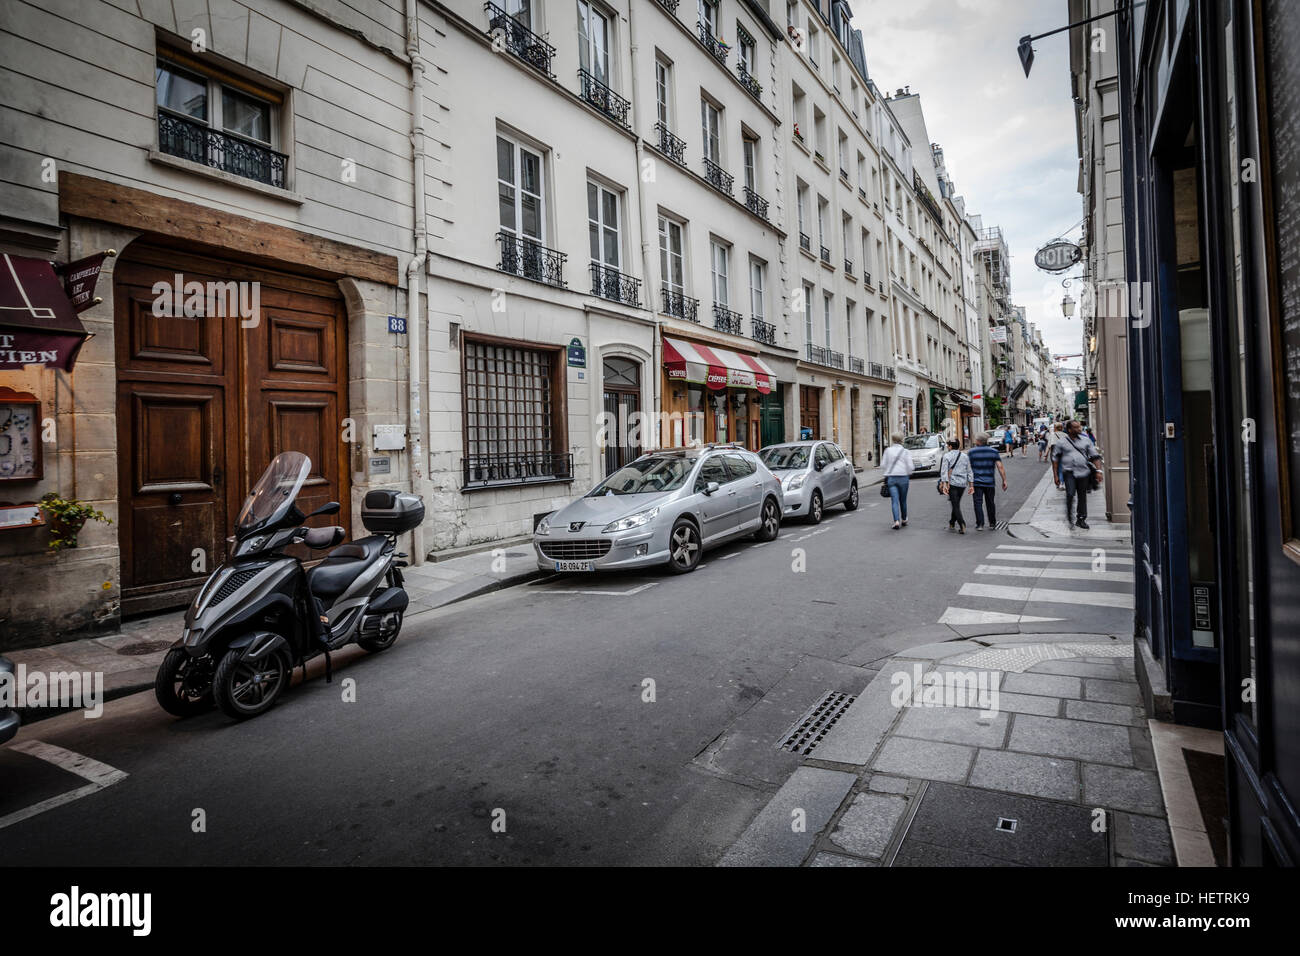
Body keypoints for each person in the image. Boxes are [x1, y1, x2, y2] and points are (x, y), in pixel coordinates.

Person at [1052, 419, 1104, 529]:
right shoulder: (1061, 442)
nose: (1079, 429)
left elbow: (1095, 456)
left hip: (1084, 472)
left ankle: (1081, 519)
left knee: (1082, 496)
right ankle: (1070, 517)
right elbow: (1055, 459)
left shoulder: (1086, 441)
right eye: (1075, 427)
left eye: (1079, 427)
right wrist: (1056, 476)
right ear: (1069, 429)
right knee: (1070, 494)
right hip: (1069, 473)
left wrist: (1099, 471)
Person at [967, 431, 1008, 530]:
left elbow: (968, 468)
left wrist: (970, 483)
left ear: (978, 441)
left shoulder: (971, 452)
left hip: (977, 482)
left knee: (978, 503)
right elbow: (1000, 467)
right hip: (989, 482)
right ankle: (992, 523)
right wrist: (1004, 480)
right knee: (990, 502)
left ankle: (980, 524)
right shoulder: (993, 452)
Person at [879, 431, 915, 530]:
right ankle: (904, 519)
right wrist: (908, 472)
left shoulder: (888, 451)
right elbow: (911, 466)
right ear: (902, 440)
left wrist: (888, 471)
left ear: (892, 440)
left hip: (891, 478)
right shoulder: (906, 452)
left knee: (894, 500)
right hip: (903, 478)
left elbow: (883, 465)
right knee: (903, 500)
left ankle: (896, 521)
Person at [939, 439, 972, 533]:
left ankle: (962, 524)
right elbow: (969, 470)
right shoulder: (965, 456)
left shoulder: (946, 456)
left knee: (955, 504)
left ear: (950, 446)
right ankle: (952, 522)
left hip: (952, 483)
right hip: (962, 483)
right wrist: (971, 484)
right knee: (956, 503)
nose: (947, 447)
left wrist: (944, 483)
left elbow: (944, 471)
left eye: (947, 445)